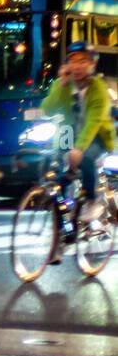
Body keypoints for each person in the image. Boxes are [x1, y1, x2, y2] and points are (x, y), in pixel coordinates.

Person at [40, 41, 116, 226]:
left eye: (83, 61)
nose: (78, 66)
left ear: (92, 64)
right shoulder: (62, 84)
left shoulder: (98, 88)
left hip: (96, 135)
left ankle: (92, 200)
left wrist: (79, 149)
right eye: (73, 61)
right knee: (54, 170)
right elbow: (47, 110)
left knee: (87, 159)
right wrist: (61, 85)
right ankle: (62, 231)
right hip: (68, 133)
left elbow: (93, 122)